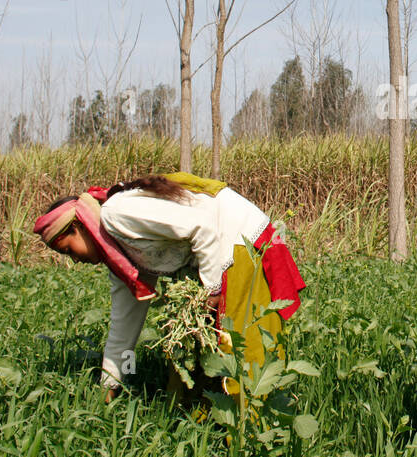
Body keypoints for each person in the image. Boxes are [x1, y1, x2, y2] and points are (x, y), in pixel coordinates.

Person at [33, 172, 305, 402]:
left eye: (69, 250)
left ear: (79, 226)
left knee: (245, 350)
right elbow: (124, 327)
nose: (75, 260)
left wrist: (211, 292)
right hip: (210, 259)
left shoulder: (117, 214)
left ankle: (253, 444)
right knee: (192, 359)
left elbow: (203, 228)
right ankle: (204, 432)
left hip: (237, 243)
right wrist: (112, 384)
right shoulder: (118, 259)